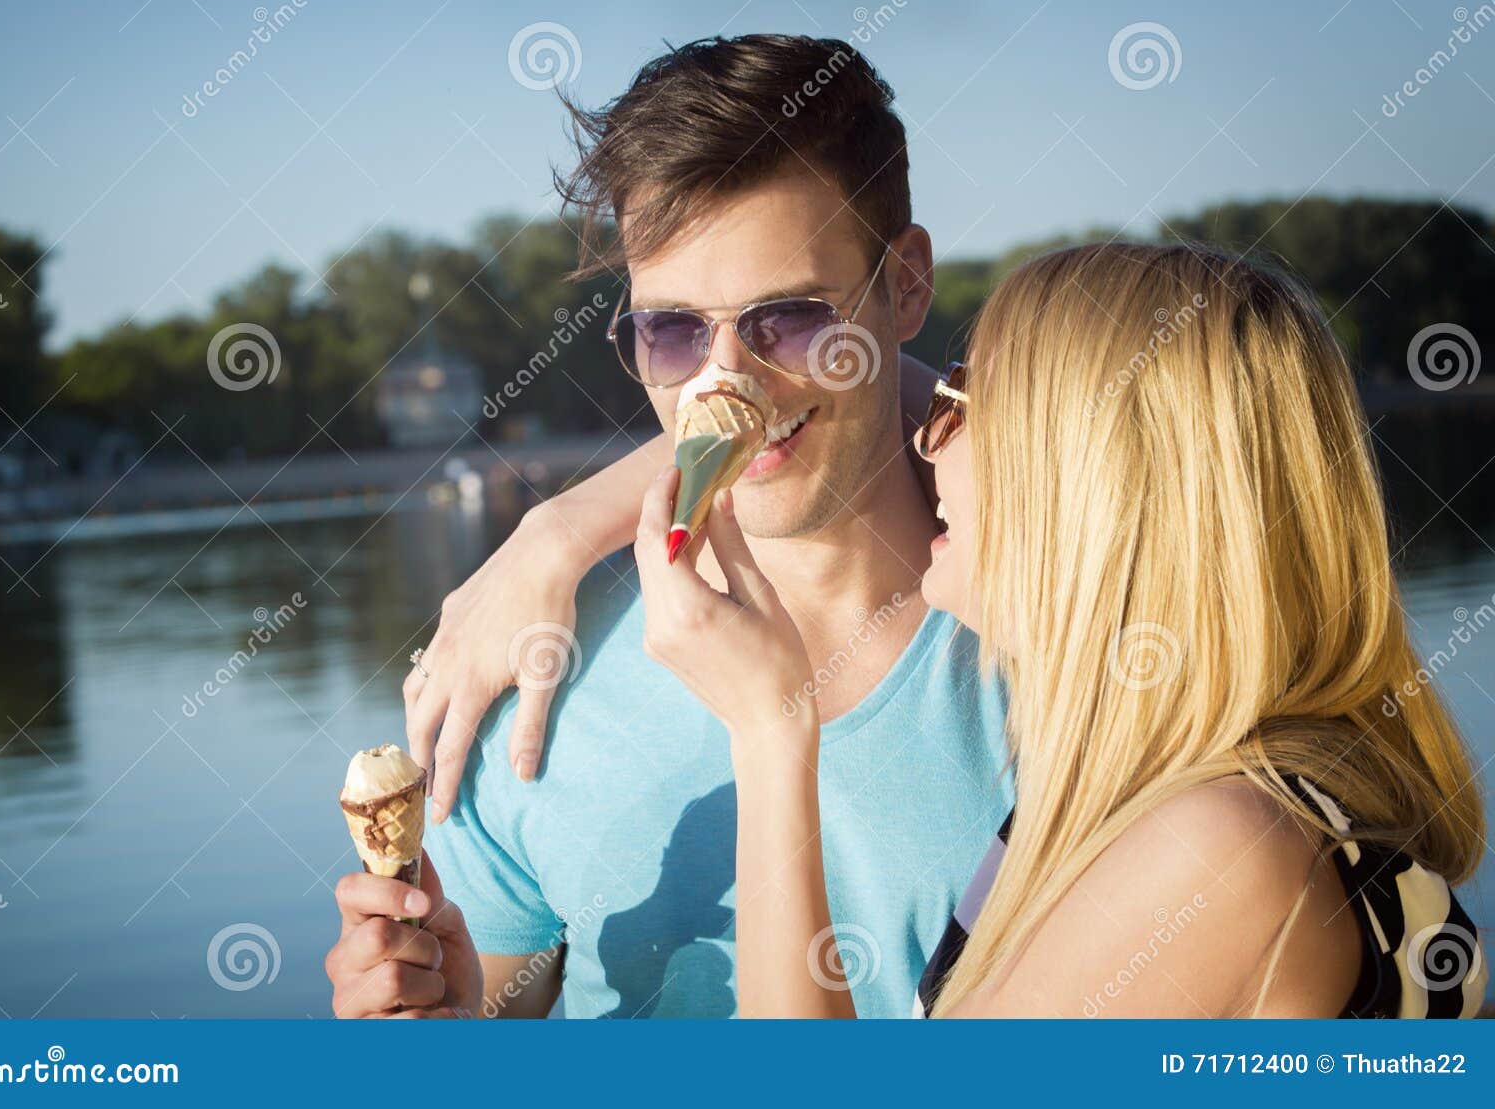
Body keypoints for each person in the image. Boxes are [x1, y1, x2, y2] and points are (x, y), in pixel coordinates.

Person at [325, 34, 1016, 1018]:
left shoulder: (1061, 640)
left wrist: (559, 524)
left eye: (791, 317)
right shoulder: (530, 672)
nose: (725, 380)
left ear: (906, 286)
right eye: (674, 329)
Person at [633, 241, 1489, 1017]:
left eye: (961, 402)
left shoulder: (1217, 850)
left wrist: (771, 735)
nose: (928, 445)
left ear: (1102, 479)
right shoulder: (1166, 810)